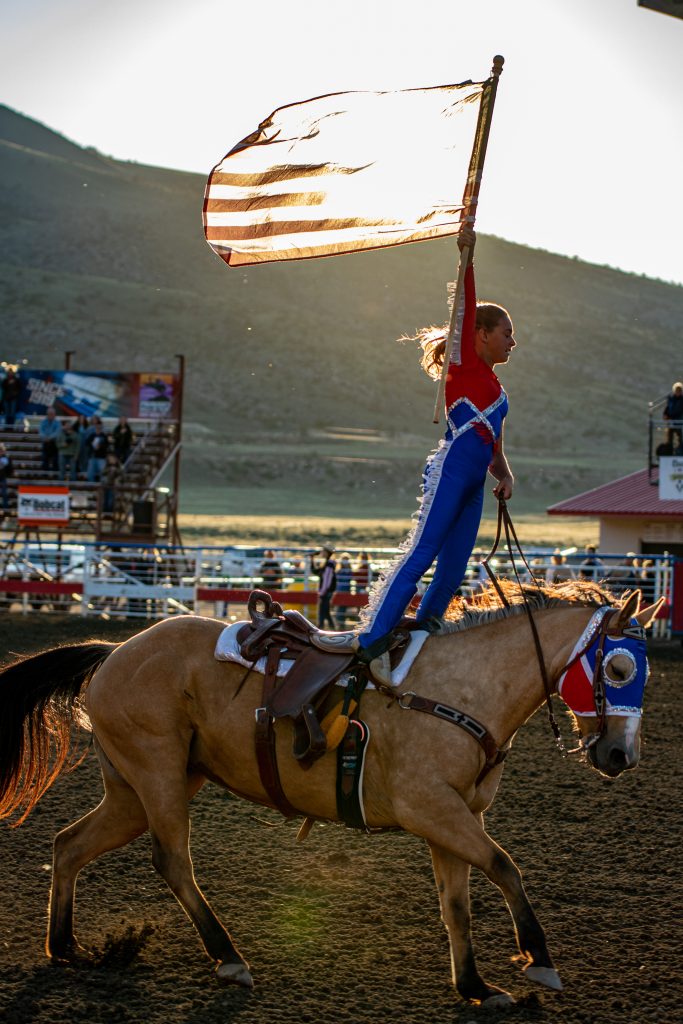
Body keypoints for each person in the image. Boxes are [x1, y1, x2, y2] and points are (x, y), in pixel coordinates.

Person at [313, 228, 515, 684]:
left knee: (455, 566)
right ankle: (371, 639)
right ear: (480, 335)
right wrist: (469, 256)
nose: (512, 342)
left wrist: (504, 475)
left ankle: (422, 633)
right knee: (423, 552)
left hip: (476, 478)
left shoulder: (497, 389)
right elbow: (463, 305)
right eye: (506, 333)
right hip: (452, 469)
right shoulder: (462, 364)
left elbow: (494, 442)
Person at [315, 546, 337, 630]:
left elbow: (327, 579)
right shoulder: (329, 563)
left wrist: (323, 591)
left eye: (323, 552)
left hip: (327, 591)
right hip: (327, 590)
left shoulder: (329, 564)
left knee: (322, 610)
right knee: (326, 610)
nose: (321, 553)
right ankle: (332, 627)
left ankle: (320, 627)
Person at [663, 381, 683, 454]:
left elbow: (678, 411)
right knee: (669, 438)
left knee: (680, 438)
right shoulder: (671, 399)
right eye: (677, 390)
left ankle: (680, 451)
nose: (678, 392)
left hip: (680, 423)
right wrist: (666, 416)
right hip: (672, 422)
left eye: (679, 390)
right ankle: (669, 451)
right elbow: (667, 410)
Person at [39, 407, 61, 472]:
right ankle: (45, 474)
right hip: (45, 443)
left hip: (54, 443)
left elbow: (57, 432)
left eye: (52, 414)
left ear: (54, 414)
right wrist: (45, 437)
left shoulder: (58, 423)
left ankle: (55, 474)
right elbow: (41, 431)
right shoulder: (43, 422)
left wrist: (49, 438)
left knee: (55, 460)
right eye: (49, 414)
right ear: (47, 414)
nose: (51, 415)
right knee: (45, 459)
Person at [335, 552, 353, 628]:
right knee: (340, 608)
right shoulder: (339, 570)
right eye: (344, 560)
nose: (345, 562)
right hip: (340, 591)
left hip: (346, 591)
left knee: (344, 608)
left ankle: (341, 624)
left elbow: (349, 578)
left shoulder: (349, 570)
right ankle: (340, 623)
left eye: (346, 560)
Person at [0, 442, 13, 510]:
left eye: (2, 450)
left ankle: (5, 506)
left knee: (4, 493)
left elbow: (10, 468)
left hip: (3, 477)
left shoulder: (6, 458)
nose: (1, 451)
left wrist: (8, 474)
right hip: (2, 477)